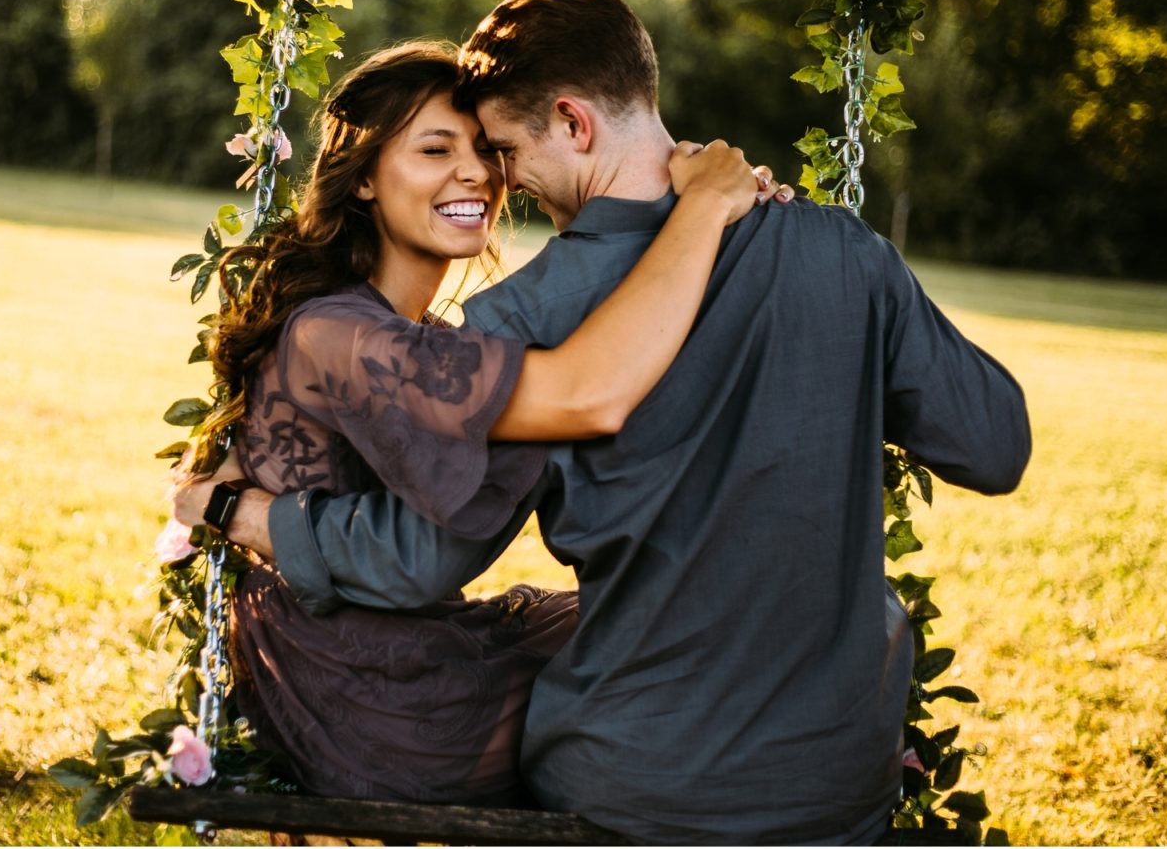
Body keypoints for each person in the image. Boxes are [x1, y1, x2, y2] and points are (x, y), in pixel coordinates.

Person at [176, 0, 1033, 843]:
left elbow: (421, 558)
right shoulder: (838, 248)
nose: (504, 181)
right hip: (838, 779)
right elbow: (995, 447)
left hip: (639, 780)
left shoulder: (524, 320)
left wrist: (243, 512)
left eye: (505, 150)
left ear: (573, 123)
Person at [174, 39, 790, 806]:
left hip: (388, 657)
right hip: (377, 703)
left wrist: (732, 225)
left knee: (699, 631)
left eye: (486, 150)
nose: (476, 174)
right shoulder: (342, 334)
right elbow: (575, 403)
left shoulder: (410, 334)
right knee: (703, 656)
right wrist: (700, 209)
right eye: (436, 149)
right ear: (362, 177)